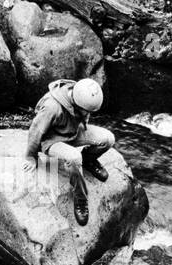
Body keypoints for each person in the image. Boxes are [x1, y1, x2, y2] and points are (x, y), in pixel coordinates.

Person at [26, 77, 113, 226]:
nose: (87, 113)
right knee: (74, 157)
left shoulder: (81, 93)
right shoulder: (52, 106)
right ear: (76, 102)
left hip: (72, 131)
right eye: (86, 111)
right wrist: (30, 156)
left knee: (108, 139)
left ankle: (89, 160)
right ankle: (80, 198)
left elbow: (85, 117)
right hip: (52, 140)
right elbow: (36, 130)